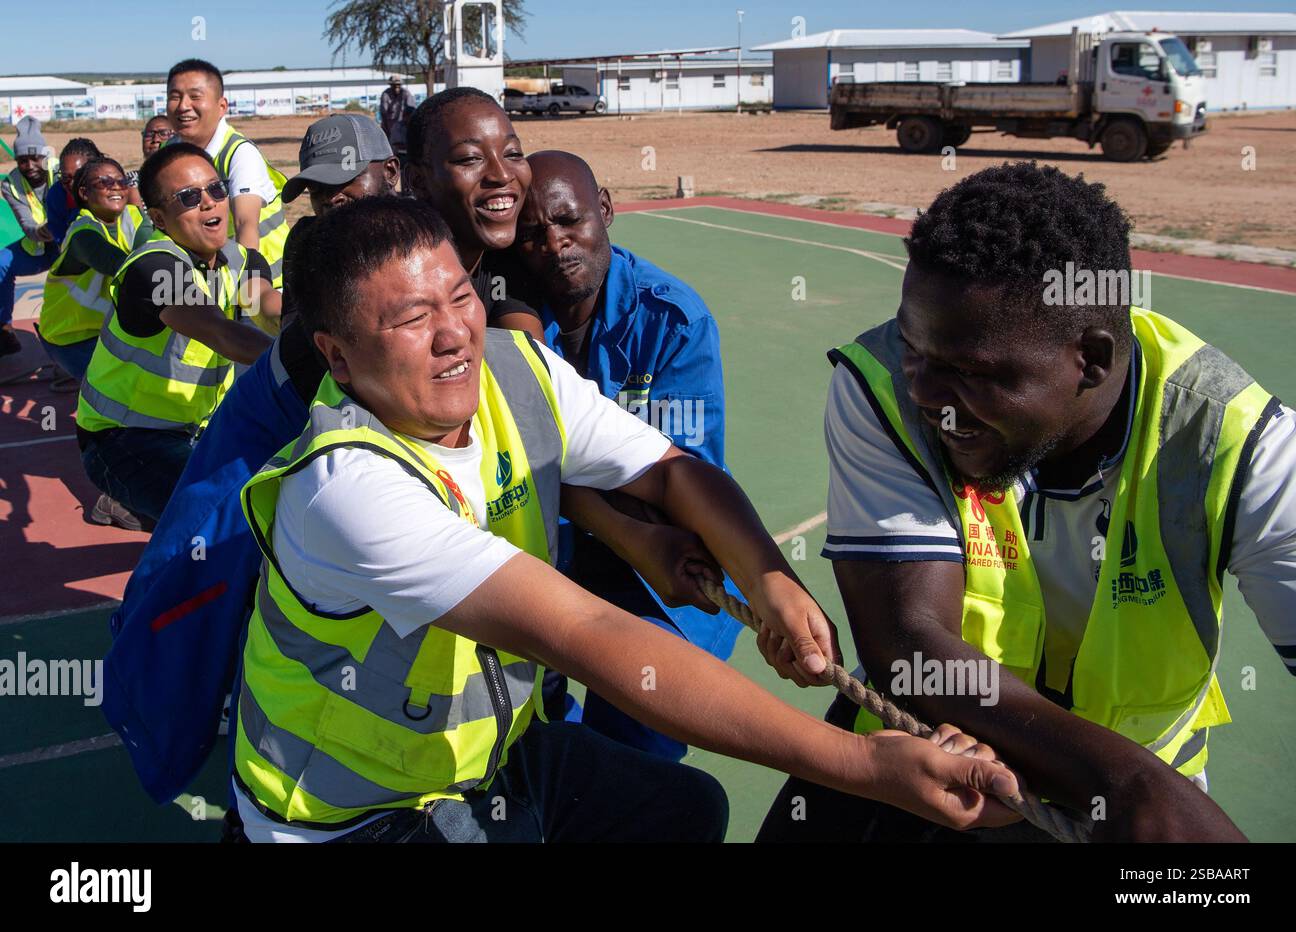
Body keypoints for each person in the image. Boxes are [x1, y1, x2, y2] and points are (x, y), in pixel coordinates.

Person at [232, 194, 1019, 843]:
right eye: (410, 318)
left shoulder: (520, 370)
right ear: (337, 357)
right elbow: (591, 639)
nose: (453, 335)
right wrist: (862, 764)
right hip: (351, 817)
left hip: (485, 760)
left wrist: (768, 579)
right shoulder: (345, 489)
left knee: (685, 810)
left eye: (462, 295)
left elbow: (674, 474)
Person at [758, 162, 1296, 843]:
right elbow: (907, 643)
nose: (926, 391)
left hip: (1135, 814)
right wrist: (1131, 784)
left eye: (974, 373)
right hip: (928, 752)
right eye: (914, 347)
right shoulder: (884, 387)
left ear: (1092, 360)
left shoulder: (1242, 442)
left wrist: (1139, 794)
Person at [100, 87, 537, 818]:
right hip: (249, 457)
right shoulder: (304, 262)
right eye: (317, 195)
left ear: (394, 176)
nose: (333, 209)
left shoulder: (438, 256)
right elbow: (258, 347)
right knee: (192, 605)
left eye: (347, 190)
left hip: (293, 456)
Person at [504, 149, 741, 758]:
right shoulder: (505, 312)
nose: (555, 245)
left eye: (570, 221)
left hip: (653, 563)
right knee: (527, 725)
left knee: (637, 740)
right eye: (532, 234)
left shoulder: (672, 321)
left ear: (605, 210)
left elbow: (673, 484)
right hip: (550, 547)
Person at [75, 143, 281, 523]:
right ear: (159, 218)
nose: (209, 202)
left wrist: (313, 328)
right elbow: (219, 332)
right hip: (122, 439)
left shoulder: (241, 259)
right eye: (189, 197)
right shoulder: (154, 267)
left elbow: (265, 304)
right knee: (219, 521)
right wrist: (305, 356)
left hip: (197, 431)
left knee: (272, 493)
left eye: (217, 189)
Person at [166, 59, 289, 288]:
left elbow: (245, 224)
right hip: (212, 281)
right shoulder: (169, 152)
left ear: (222, 106)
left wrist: (244, 293)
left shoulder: (239, 154)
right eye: (175, 96)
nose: (183, 106)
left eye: (195, 96)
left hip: (268, 286)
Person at [278, 112, 401, 314]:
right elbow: (293, 330)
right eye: (316, 187)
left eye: (345, 180)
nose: (331, 198)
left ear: (391, 171)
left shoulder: (430, 237)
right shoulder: (305, 243)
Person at [39, 156, 143, 381]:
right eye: (104, 182)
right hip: (72, 337)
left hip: (109, 329)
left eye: (121, 181)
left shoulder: (135, 217)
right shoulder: (83, 233)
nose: (115, 186)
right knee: (116, 392)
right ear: (84, 193)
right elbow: (119, 264)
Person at [0, 117, 56, 356]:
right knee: (1, 262)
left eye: (36, 158)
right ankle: (4, 329)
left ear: (45, 156)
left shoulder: (61, 170)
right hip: (38, 246)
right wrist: (42, 231)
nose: (31, 165)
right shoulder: (10, 184)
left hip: (69, 245)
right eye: (23, 160)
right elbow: (26, 223)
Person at [44, 138, 102, 246]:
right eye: (66, 177)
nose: (72, 184)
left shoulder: (109, 191)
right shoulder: (56, 195)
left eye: (80, 176)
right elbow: (61, 241)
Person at [378, 74, 415, 162]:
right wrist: (386, 129)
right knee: (390, 149)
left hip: (404, 126)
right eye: (394, 85)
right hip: (390, 126)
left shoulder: (406, 94)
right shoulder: (386, 94)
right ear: (391, 85)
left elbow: (411, 109)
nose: (396, 88)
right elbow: (383, 112)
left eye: (398, 85)